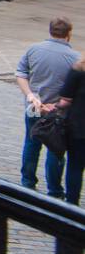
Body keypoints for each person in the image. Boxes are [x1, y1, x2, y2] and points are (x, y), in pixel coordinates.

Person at [15, 18, 79, 199]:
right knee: (55, 148)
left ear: (50, 31)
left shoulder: (34, 49)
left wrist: (30, 96)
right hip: (58, 111)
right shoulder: (74, 58)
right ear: (68, 34)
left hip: (34, 107)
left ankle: (27, 183)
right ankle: (54, 190)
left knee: (31, 143)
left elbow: (21, 73)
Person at [51, 58, 85, 205]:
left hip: (79, 125)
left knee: (75, 166)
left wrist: (53, 106)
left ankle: (72, 203)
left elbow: (65, 100)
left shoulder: (78, 70)